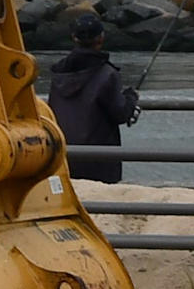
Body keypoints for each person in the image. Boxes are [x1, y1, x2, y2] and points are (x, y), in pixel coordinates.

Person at [43, 11, 137, 186]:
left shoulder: (58, 73)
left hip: (63, 156)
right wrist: (131, 98)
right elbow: (121, 113)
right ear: (101, 38)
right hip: (99, 161)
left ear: (74, 38)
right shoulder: (107, 74)